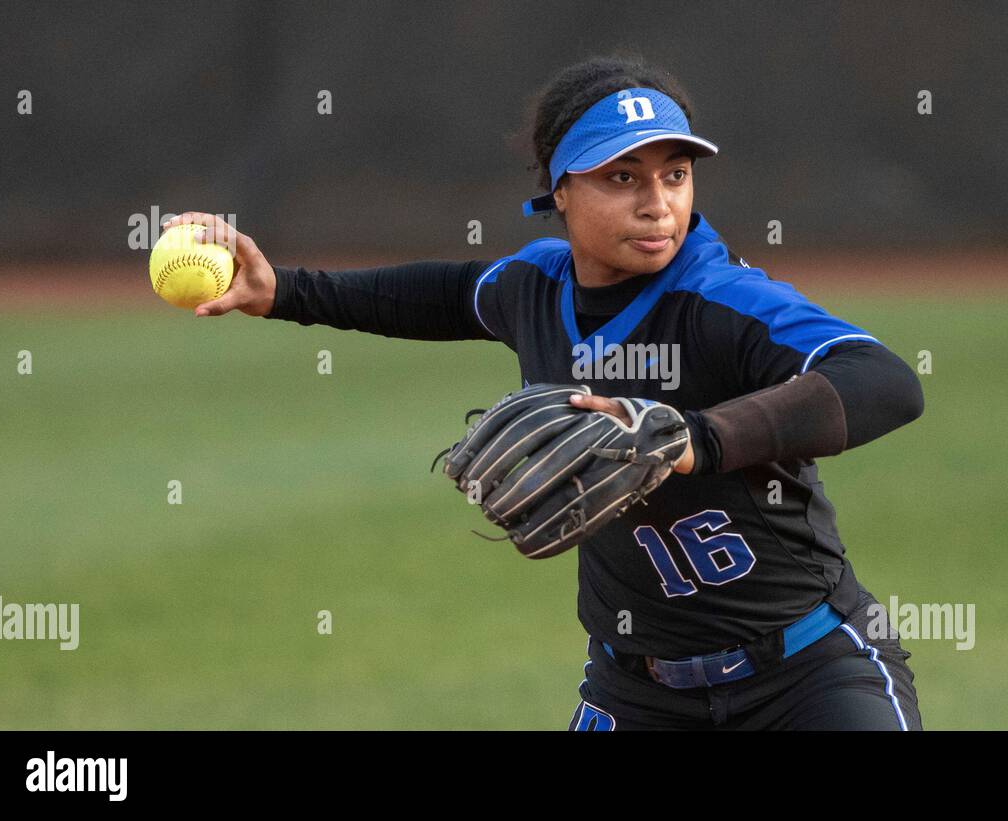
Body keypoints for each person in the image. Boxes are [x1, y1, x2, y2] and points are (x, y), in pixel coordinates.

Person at [163, 54, 925, 731]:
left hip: (808, 672)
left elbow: (882, 379)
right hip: (637, 690)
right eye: (621, 177)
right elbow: (447, 294)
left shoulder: (723, 301)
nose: (657, 202)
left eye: (675, 173)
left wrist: (697, 436)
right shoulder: (536, 287)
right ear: (560, 188)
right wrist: (285, 291)